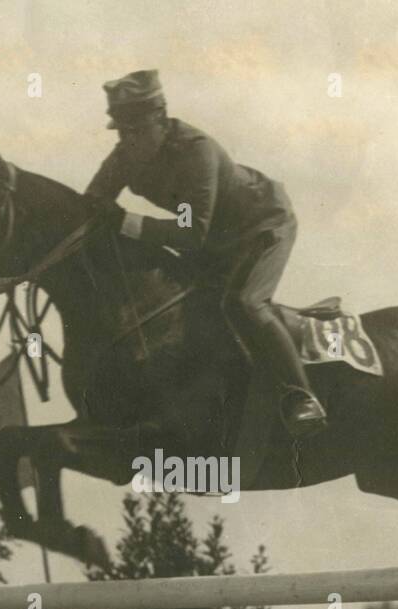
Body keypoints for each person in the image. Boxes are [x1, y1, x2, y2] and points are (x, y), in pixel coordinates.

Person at [84, 69, 328, 439]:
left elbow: (190, 230)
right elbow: (89, 207)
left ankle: (303, 397)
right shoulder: (124, 156)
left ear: (162, 121)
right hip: (214, 237)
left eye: (138, 130)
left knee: (245, 303)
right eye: (122, 131)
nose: (129, 141)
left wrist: (126, 223)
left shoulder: (196, 151)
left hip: (261, 226)